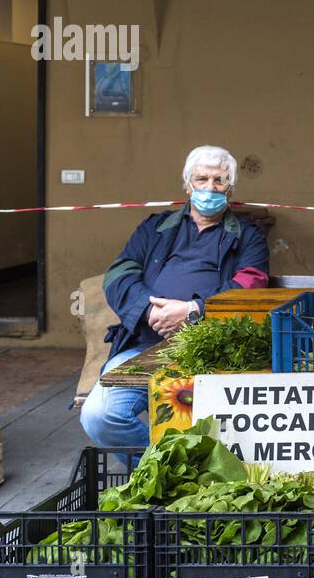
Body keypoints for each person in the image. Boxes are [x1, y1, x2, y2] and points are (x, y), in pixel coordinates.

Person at [80, 145, 270, 448]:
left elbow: (251, 285)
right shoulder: (155, 227)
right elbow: (120, 273)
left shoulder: (249, 235)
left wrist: (194, 310)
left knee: (224, 431)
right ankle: (164, 471)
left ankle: (179, 474)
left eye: (219, 181)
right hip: (147, 347)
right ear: (187, 185)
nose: (210, 187)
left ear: (230, 189)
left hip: (213, 352)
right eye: (202, 179)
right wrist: (148, 310)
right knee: (100, 416)